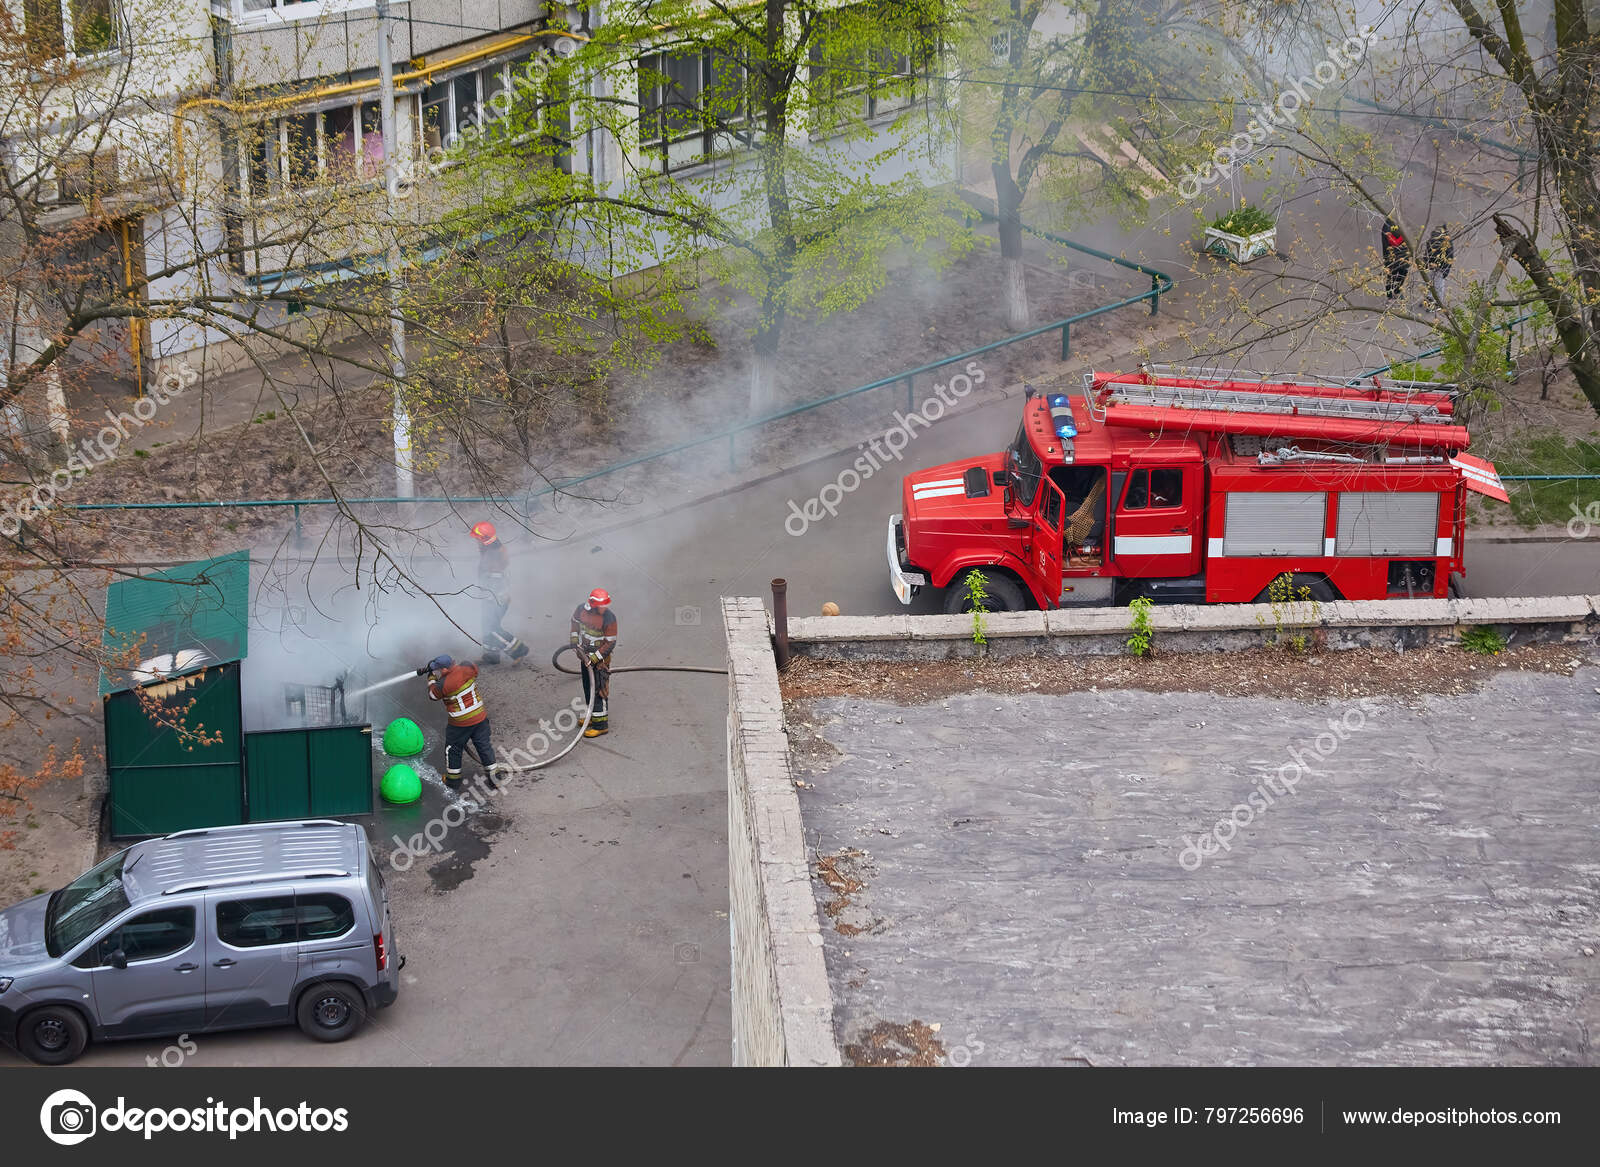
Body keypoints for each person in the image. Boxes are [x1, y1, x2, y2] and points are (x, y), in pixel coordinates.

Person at [421, 654, 501, 782]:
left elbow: (433, 695)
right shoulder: (468, 668)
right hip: (480, 717)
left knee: (453, 749)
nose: (439, 671)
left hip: (460, 723)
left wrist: (431, 679)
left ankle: (453, 780)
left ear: (445, 669)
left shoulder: (443, 684)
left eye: (440, 669)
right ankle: (495, 778)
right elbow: (471, 668)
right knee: (483, 745)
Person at [470, 521, 528, 664]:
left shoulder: (494, 556)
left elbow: (495, 581)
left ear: (484, 540)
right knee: (486, 627)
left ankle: (519, 650)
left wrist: (488, 596)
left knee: (492, 628)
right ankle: (492, 655)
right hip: (490, 598)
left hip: (496, 600)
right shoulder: (490, 551)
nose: (476, 542)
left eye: (478, 539)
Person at [570, 587, 618, 738]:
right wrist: (574, 640)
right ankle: (592, 716)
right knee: (588, 687)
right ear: (592, 604)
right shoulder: (581, 610)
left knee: (599, 691)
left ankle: (601, 725)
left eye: (605, 605)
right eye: (601, 605)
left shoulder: (609, 618)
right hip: (585, 656)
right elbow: (574, 623)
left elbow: (610, 643)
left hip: (599, 661)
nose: (604, 608)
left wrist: (595, 658)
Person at [1422, 224, 1455, 303]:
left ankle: (1435, 300)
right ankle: (1433, 299)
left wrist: (1426, 264)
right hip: (1436, 267)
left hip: (1437, 267)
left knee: (1434, 284)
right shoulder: (1445, 242)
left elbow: (1427, 253)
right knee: (1435, 284)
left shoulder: (1434, 240)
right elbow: (1449, 258)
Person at [1381, 219, 1411, 301]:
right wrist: (1404, 236)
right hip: (1392, 258)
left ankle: (1397, 291)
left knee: (1403, 274)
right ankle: (1389, 295)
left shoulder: (1399, 221)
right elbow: (1394, 242)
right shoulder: (1387, 226)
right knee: (1390, 276)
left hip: (1403, 256)